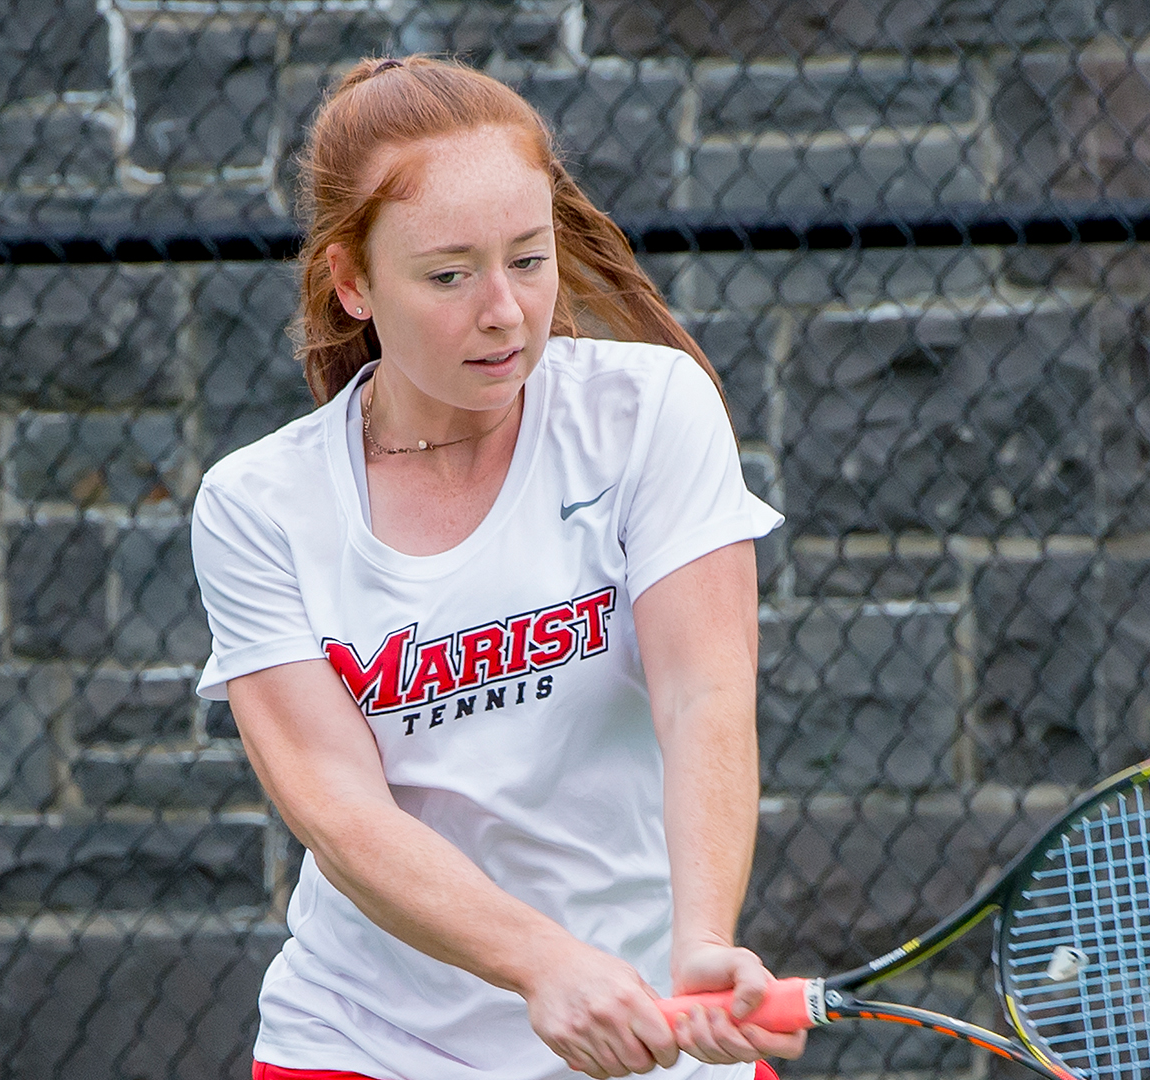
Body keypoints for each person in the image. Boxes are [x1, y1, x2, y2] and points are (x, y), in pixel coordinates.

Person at [190, 55, 806, 1080]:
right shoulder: (258, 506)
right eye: (449, 274)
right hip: (370, 1045)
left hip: (650, 1030)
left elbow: (705, 692)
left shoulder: (649, 411)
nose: (506, 311)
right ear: (352, 281)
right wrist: (542, 963)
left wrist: (700, 944)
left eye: (529, 259)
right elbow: (340, 812)